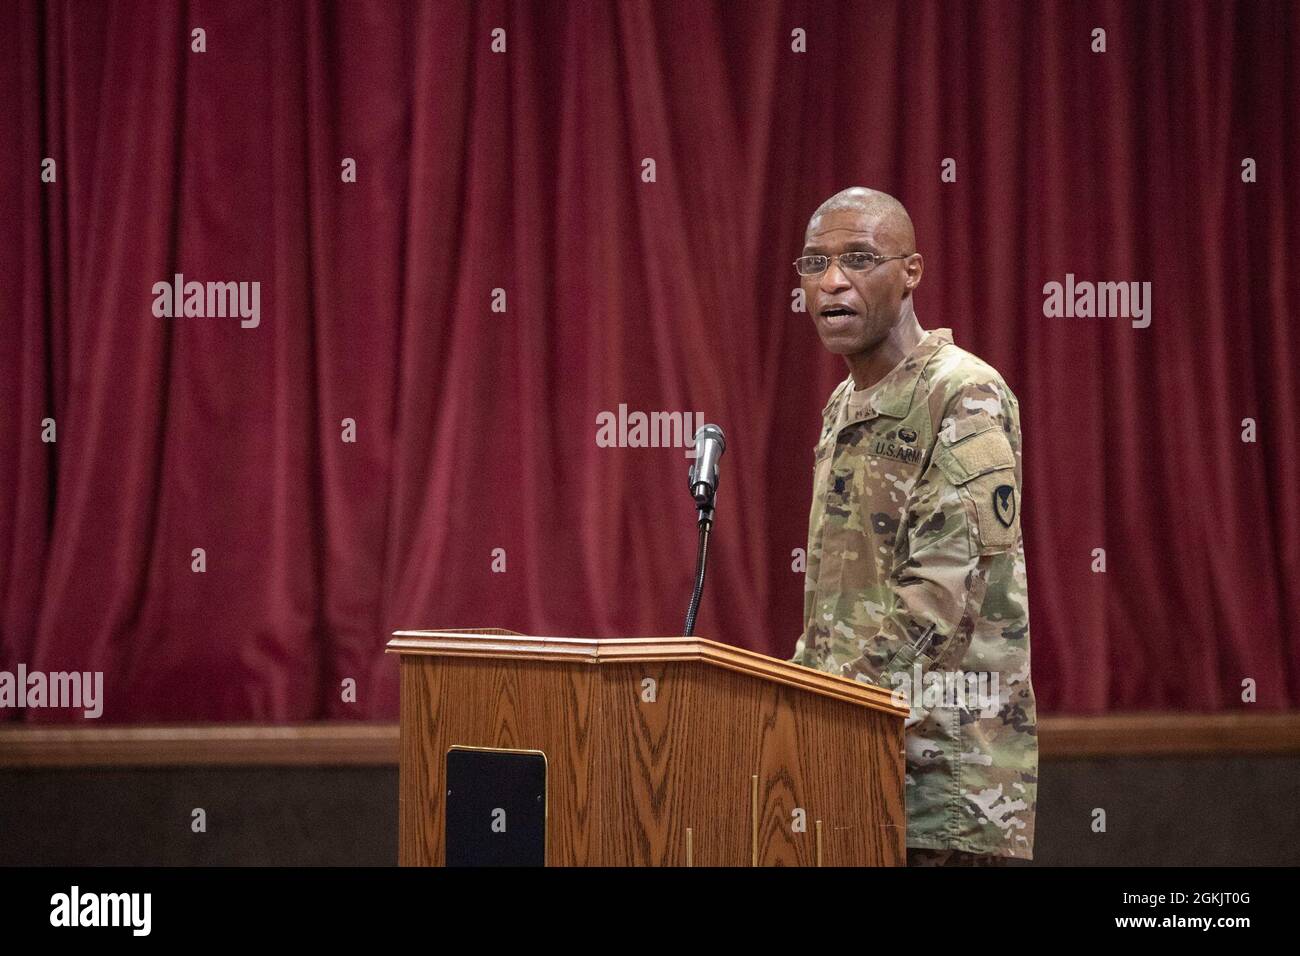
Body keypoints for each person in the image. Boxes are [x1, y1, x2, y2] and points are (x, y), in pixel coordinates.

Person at [789, 187, 1037, 865]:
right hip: (854, 771)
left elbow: (942, 594)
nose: (831, 281)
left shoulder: (963, 393)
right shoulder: (846, 402)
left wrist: (819, 711)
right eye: (814, 263)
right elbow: (840, 611)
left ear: (911, 273)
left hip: (946, 791)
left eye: (859, 258)